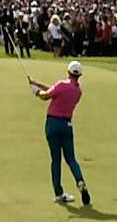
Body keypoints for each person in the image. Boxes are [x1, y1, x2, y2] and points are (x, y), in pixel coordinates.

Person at [29, 60, 91, 206]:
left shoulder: (61, 85)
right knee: (71, 159)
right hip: (66, 126)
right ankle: (80, 181)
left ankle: (58, 193)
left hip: (52, 124)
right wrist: (36, 83)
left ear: (68, 72)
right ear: (79, 75)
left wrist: (35, 91)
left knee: (55, 160)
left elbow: (46, 95)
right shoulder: (78, 92)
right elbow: (54, 90)